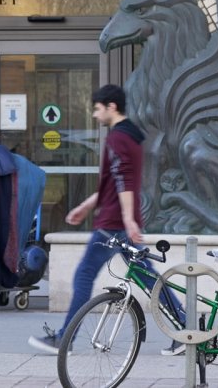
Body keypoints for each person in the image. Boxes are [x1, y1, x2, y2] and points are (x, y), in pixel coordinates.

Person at [27, 84, 186, 356]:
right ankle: (183, 328)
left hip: (113, 226)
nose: (94, 114)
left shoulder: (118, 139)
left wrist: (126, 219)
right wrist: (86, 206)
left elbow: (123, 179)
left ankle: (65, 338)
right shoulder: (131, 137)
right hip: (121, 221)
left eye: (97, 108)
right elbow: (113, 182)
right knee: (149, 278)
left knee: (84, 276)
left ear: (111, 107)